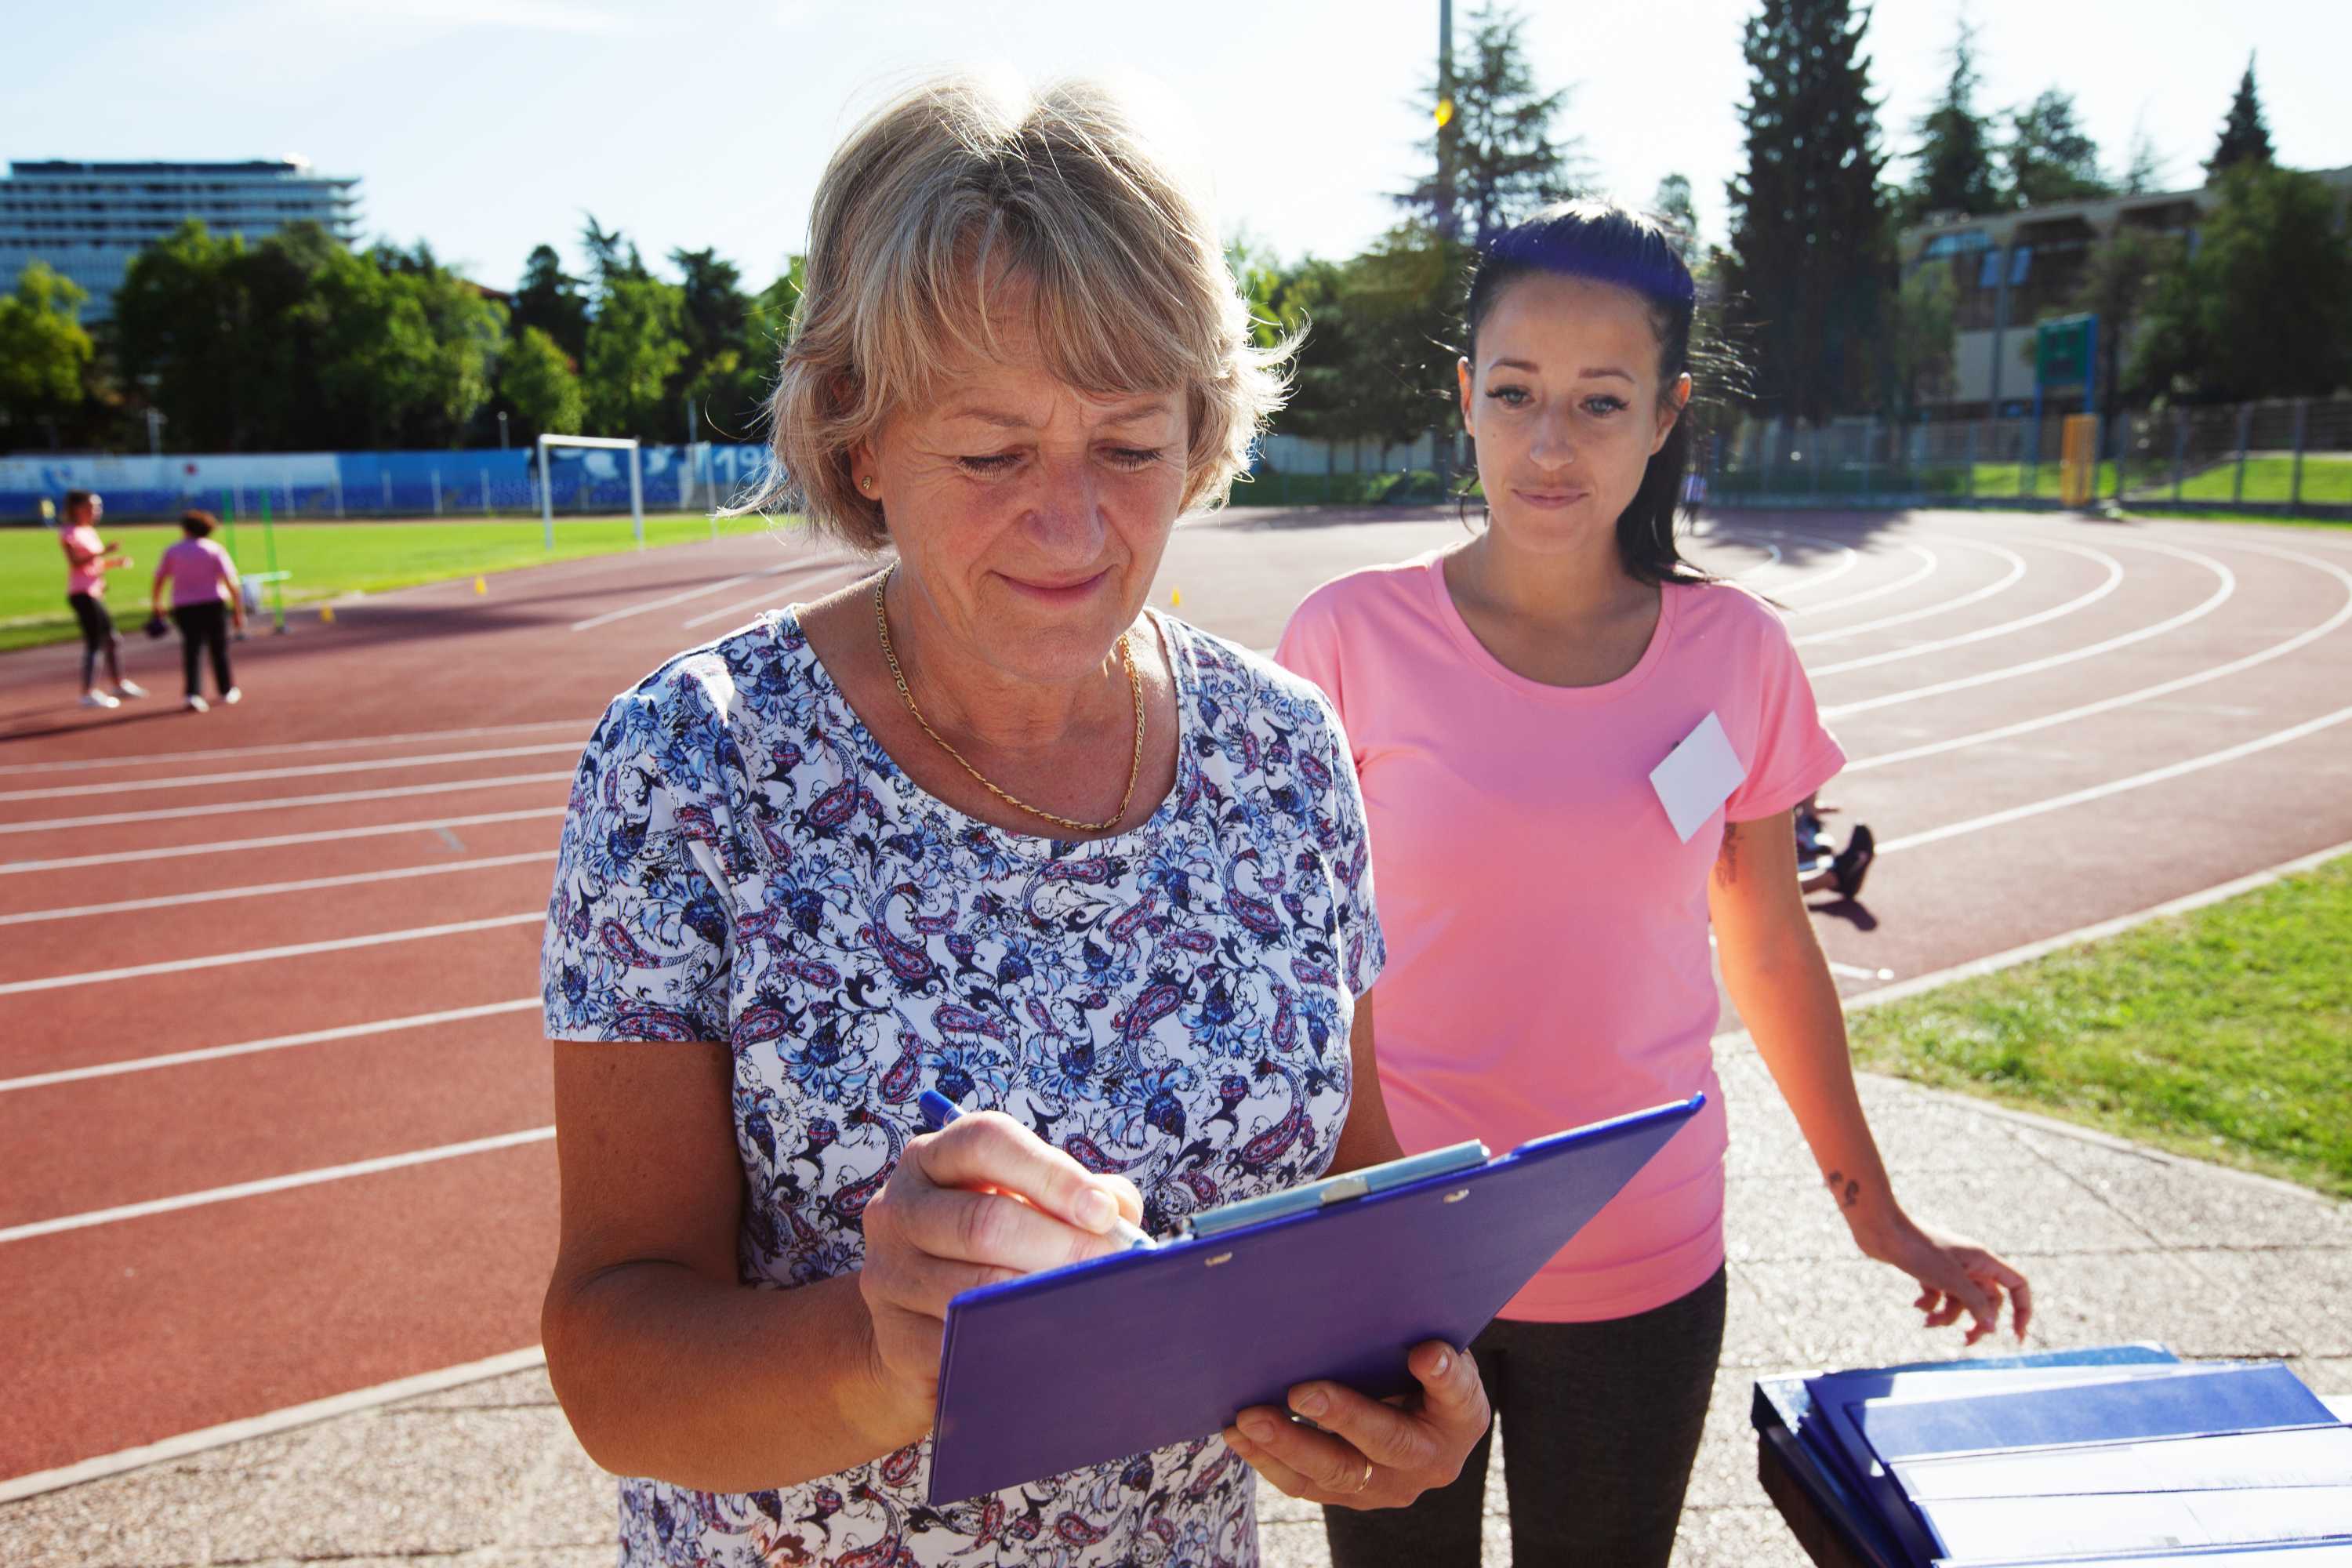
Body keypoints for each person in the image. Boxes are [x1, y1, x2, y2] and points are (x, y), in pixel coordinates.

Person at [537, 76, 1488, 1568]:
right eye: (990, 454)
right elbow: (612, 1358)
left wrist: (1396, 1399)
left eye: (1127, 445)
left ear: (1204, 429)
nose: (1071, 524)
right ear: (859, 441)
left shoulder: (1287, 752)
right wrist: (882, 1347)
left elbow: (1345, 1185)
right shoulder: (693, 764)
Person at [1276, 201, 2032, 1568]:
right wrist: (1362, 1223)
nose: (1550, 444)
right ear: (1465, 394)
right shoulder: (1346, 640)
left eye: (1600, 401)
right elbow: (1305, 971)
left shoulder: (1735, 656)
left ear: (1668, 413)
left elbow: (1770, 946)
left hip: (1643, 1259)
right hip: (1401, 1264)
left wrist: (1880, 1216)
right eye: (1513, 394)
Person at [57, 489, 147, 709]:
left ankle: (118, 683)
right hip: (82, 594)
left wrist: (113, 564)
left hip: (94, 591)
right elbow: (76, 563)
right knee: (96, 642)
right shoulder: (70, 532)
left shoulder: (88, 531)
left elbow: (92, 566)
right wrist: (104, 551)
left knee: (112, 639)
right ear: (77, 508)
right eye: (92, 506)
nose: (96, 511)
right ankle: (88, 692)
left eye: (97, 507)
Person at [151, 510, 243, 712]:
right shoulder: (214, 549)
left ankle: (193, 694)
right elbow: (231, 581)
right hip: (213, 604)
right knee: (219, 649)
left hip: (184, 607)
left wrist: (156, 603)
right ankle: (226, 689)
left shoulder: (173, 551)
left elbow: (159, 579)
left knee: (192, 649)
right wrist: (238, 609)